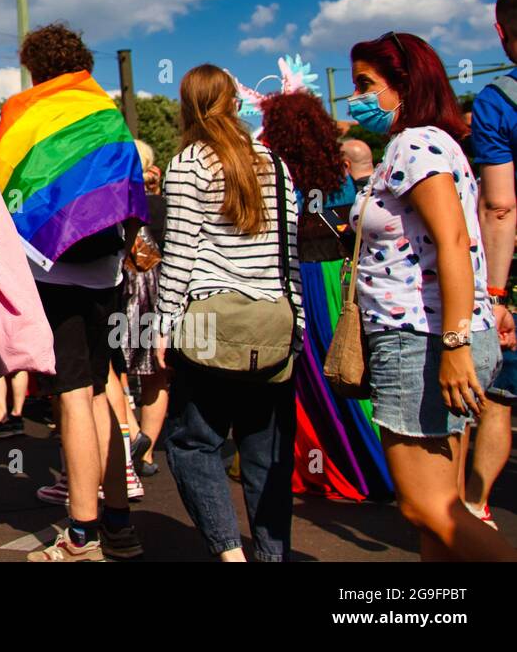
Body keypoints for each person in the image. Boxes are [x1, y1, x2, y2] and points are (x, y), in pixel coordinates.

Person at [345, 31, 514, 561]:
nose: (357, 98)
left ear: (403, 84)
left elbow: (453, 242)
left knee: (427, 508)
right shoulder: (426, 143)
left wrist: (456, 345)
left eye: (366, 84)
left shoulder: (416, 145)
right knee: (441, 517)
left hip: (422, 340)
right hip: (430, 338)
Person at [0, 23, 148, 563]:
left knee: (72, 395)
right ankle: (120, 524)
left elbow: (6, 186)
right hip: (107, 273)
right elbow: (130, 189)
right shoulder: (105, 112)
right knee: (105, 387)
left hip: (53, 274)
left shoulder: (23, 112)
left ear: (35, 67)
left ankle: (81, 535)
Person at [156, 64, 303, 562]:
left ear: (188, 106)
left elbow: (180, 254)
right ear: (234, 104)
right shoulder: (274, 164)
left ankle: (228, 552)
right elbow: (289, 254)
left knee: (193, 443)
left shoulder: (190, 163)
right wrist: (297, 320)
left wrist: (162, 326)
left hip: (210, 321)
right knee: (266, 455)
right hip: (271, 320)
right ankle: (269, 553)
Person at [260, 88, 392, 502]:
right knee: (346, 365)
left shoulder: (281, 171)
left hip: (304, 276)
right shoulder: (336, 168)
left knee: (311, 371)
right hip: (340, 273)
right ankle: (379, 462)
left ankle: (333, 462)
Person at [463, 0, 517, 527]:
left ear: (501, 35)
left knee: (500, 397)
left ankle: (475, 507)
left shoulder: (500, 100)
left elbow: (500, 206)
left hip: (516, 272)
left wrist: (494, 294)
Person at [122, 140, 167, 477]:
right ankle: (147, 454)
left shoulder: (119, 201)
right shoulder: (168, 204)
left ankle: (131, 439)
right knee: (158, 374)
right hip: (165, 292)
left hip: (125, 289)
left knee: (115, 369)